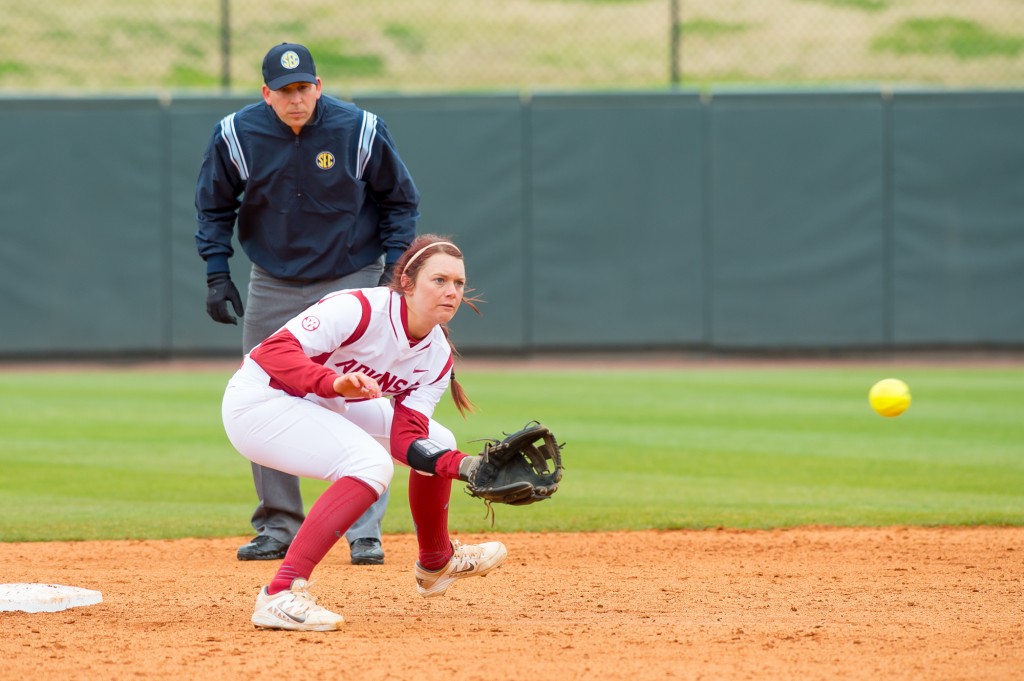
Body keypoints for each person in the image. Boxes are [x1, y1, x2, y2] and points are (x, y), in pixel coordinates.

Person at [195, 42, 420, 565]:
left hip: (351, 272)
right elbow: (213, 206)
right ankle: (277, 525)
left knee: (359, 395)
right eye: (285, 90)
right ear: (266, 93)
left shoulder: (359, 129)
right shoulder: (236, 134)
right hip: (273, 277)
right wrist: (215, 272)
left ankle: (364, 529)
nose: (296, 99)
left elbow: (399, 200)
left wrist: (391, 273)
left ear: (318, 87)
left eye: (305, 88)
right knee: (266, 394)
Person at [221, 235, 506, 631]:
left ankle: (436, 562)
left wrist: (466, 467)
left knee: (440, 441)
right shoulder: (358, 309)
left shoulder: (436, 355)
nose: (452, 292)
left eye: (458, 283)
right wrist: (332, 383)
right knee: (368, 463)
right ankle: (280, 593)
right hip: (259, 402)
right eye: (439, 280)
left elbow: (409, 438)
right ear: (406, 281)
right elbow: (271, 353)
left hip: (324, 402)